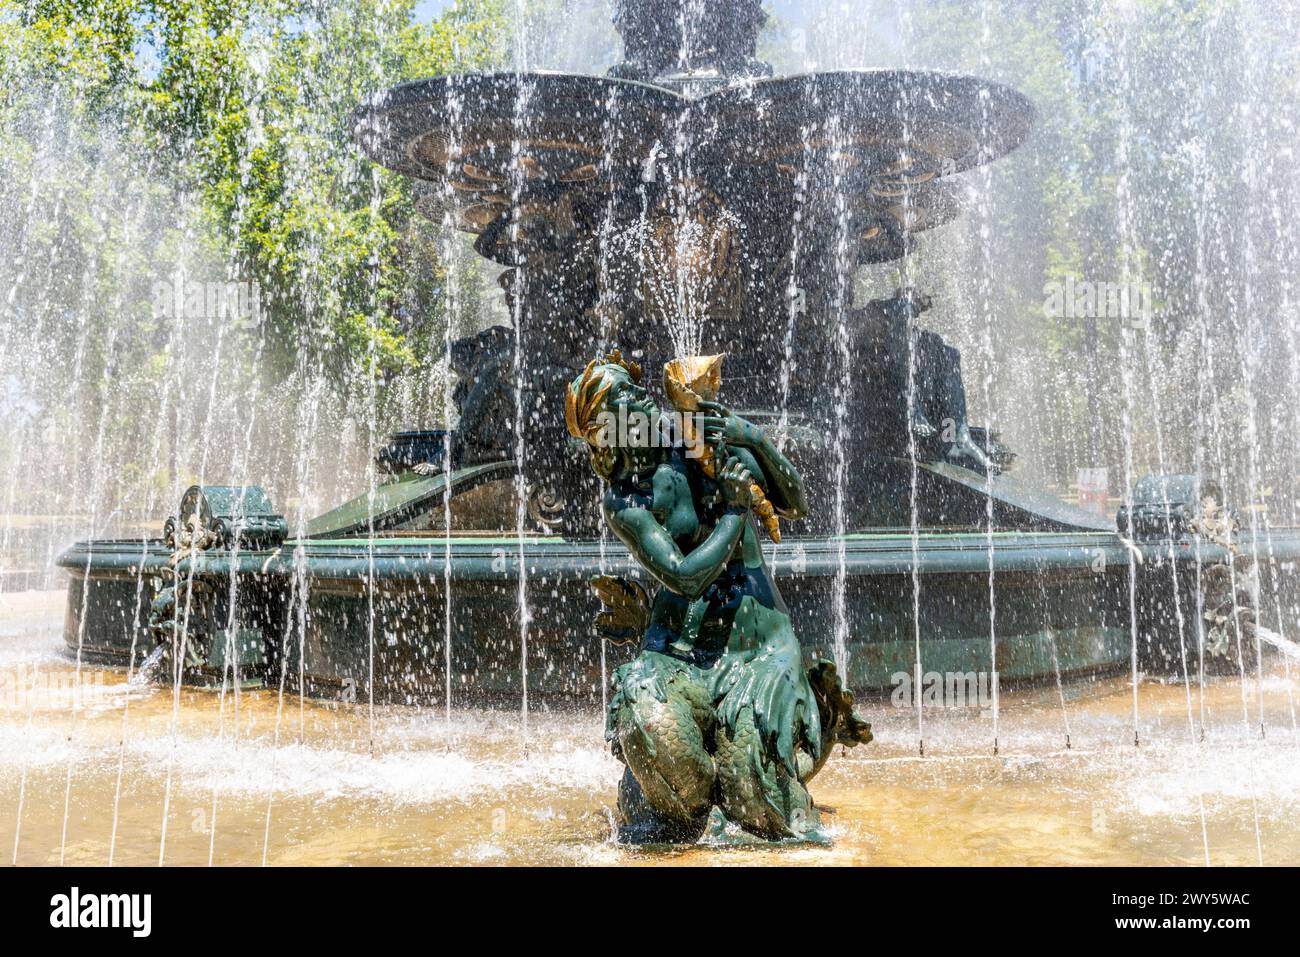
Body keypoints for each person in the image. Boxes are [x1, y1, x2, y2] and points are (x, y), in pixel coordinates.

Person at [565, 351, 870, 842]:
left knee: (753, 796)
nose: (644, 399)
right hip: (678, 654)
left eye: (639, 389)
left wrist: (748, 435)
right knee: (644, 714)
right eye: (627, 397)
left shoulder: (698, 440)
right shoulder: (625, 499)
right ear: (607, 430)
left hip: (755, 649)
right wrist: (732, 511)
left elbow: (796, 502)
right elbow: (685, 579)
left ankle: (798, 727)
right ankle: (672, 788)